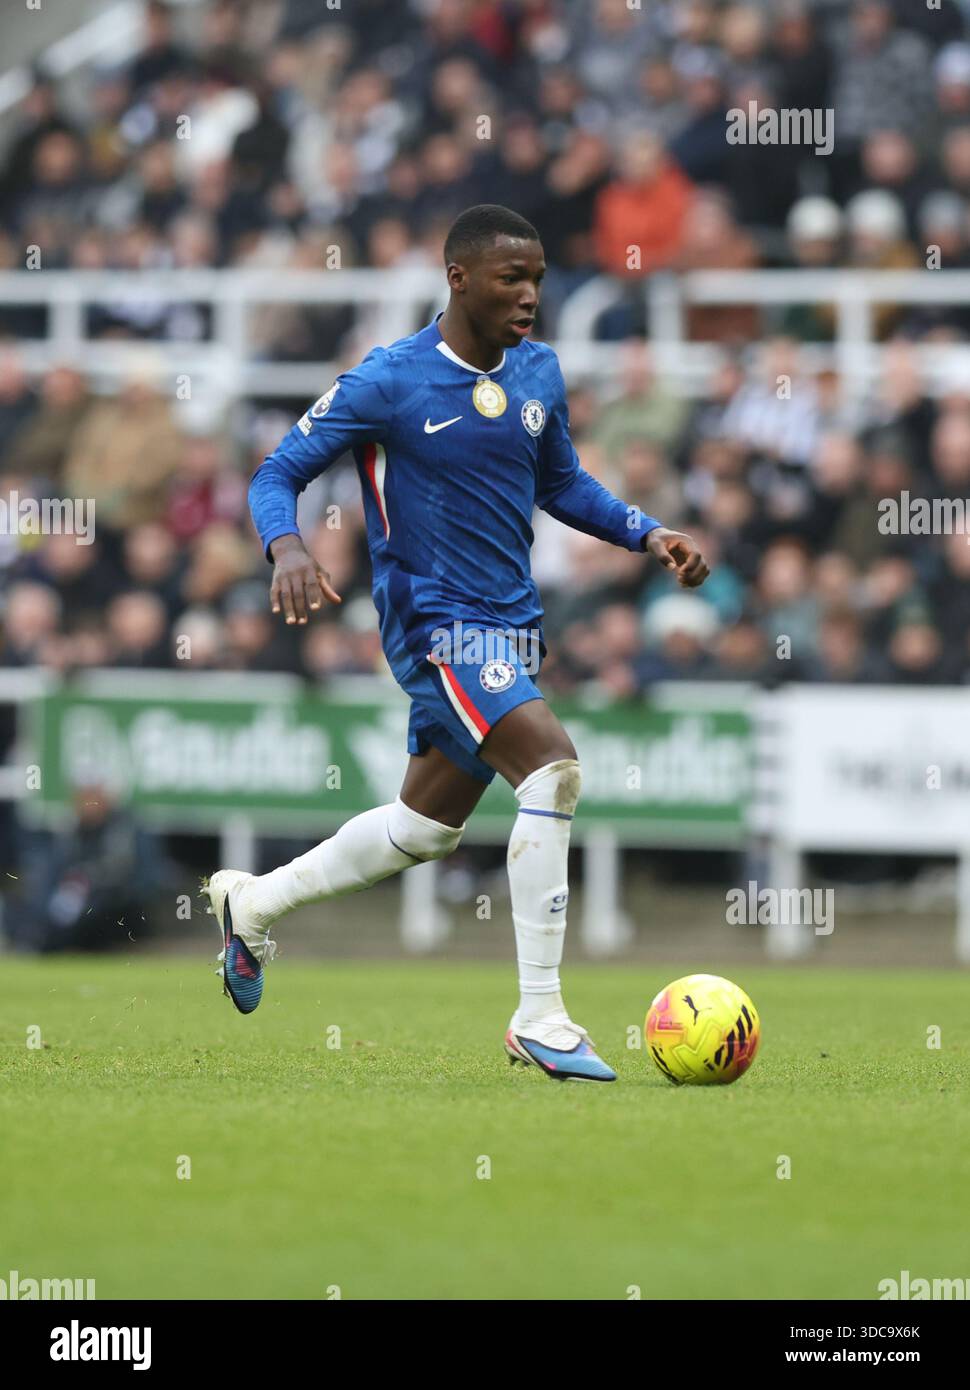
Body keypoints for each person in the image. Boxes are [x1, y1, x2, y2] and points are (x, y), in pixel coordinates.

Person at [204, 204, 709, 1083]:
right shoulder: (389, 380)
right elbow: (278, 469)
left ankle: (252, 904)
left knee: (423, 829)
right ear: (459, 277)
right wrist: (286, 545)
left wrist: (643, 532)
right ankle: (541, 1014)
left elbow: (561, 483)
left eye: (540, 279)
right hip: (437, 624)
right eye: (512, 278)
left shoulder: (540, 372)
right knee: (553, 769)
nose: (530, 296)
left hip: (512, 623)